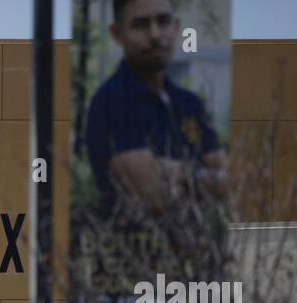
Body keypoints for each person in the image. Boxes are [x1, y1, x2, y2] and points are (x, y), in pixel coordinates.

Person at [84, 0, 227, 215]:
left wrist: (177, 173)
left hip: (195, 245)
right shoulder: (111, 102)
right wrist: (202, 176)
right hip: (130, 245)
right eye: (141, 24)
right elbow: (152, 195)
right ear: (116, 33)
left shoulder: (189, 104)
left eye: (163, 21)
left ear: (176, 27)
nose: (155, 34)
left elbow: (231, 182)